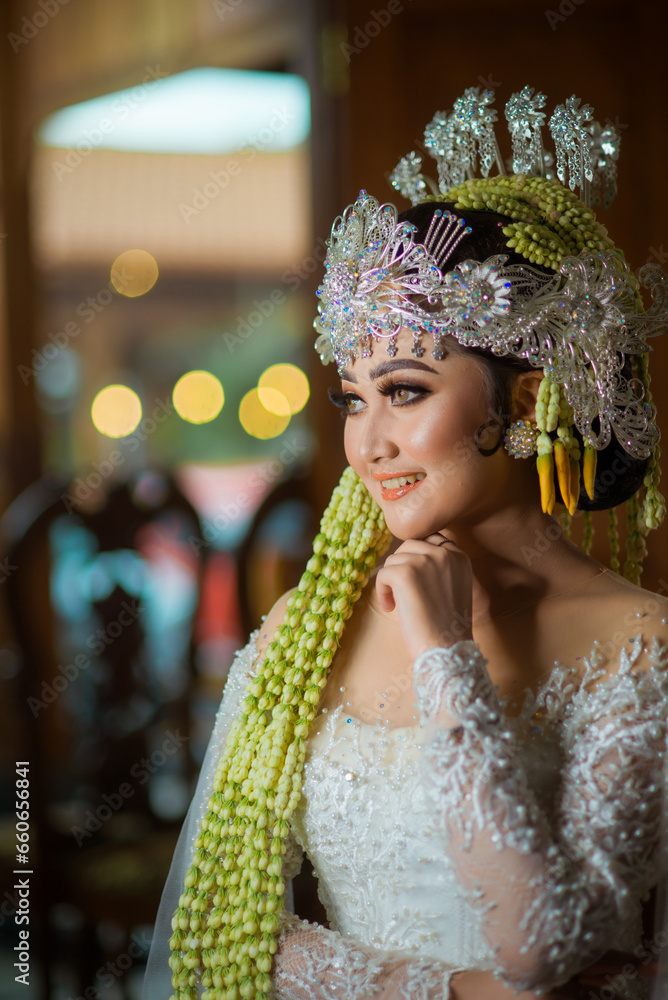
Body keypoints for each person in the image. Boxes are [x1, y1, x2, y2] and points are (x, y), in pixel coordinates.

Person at [143, 87, 668, 1000]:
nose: (367, 443)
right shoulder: (301, 641)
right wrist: (456, 992)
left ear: (526, 397)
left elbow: (543, 944)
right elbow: (220, 928)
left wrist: (446, 653)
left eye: (407, 391)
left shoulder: (644, 648)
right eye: (353, 397)